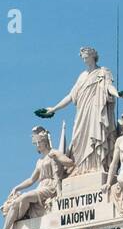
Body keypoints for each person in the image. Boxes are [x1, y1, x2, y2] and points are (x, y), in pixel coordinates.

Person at [35, 46, 118, 174]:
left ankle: (97, 166)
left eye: (86, 56)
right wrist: (54, 108)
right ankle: (83, 167)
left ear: (93, 56)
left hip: (96, 110)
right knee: (79, 138)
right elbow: (70, 96)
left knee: (96, 135)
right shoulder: (82, 76)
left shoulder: (103, 71)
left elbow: (109, 87)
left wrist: (118, 94)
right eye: (83, 57)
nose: (84, 59)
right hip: (82, 112)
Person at [0, 126, 74, 229]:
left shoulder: (54, 153)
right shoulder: (40, 161)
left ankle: (13, 223)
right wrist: (17, 188)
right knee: (15, 202)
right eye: (35, 143)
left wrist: (57, 158)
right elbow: (31, 180)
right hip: (41, 187)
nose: (37, 145)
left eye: (39, 142)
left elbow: (70, 163)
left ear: (45, 142)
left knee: (24, 198)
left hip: (50, 187)